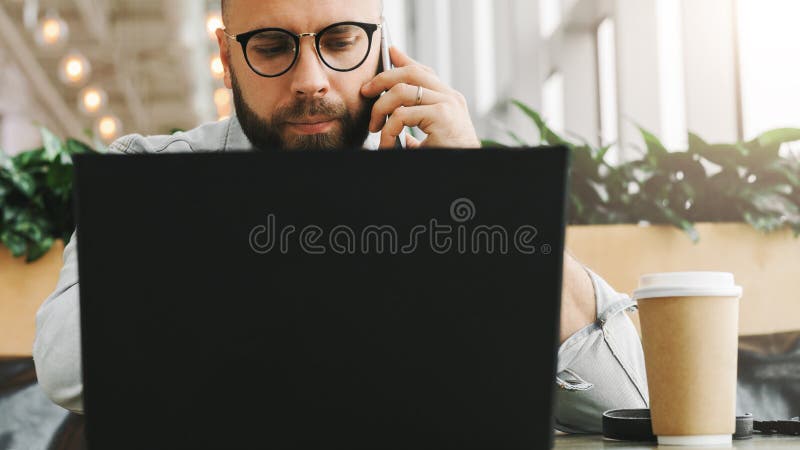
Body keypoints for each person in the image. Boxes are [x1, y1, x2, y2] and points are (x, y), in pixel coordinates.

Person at [33, 0, 648, 433]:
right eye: (271, 46)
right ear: (226, 56)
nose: (310, 81)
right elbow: (66, 365)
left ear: (381, 44)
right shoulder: (149, 173)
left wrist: (484, 193)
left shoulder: (456, 198)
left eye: (340, 42)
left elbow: (628, 400)